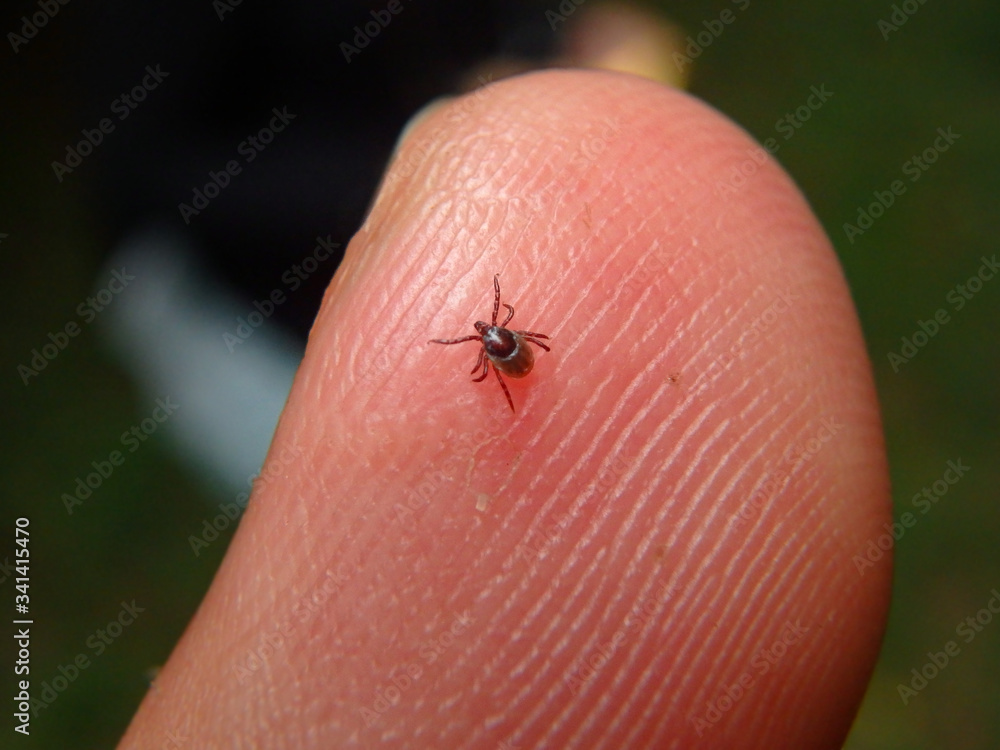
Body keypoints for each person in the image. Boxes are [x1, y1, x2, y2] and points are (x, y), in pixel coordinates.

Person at [117, 69, 892, 749]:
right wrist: (512, 362)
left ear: (497, 332)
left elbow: (515, 358)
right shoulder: (501, 345)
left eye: (493, 331)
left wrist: (512, 363)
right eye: (494, 335)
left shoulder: (501, 347)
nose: (495, 336)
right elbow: (516, 357)